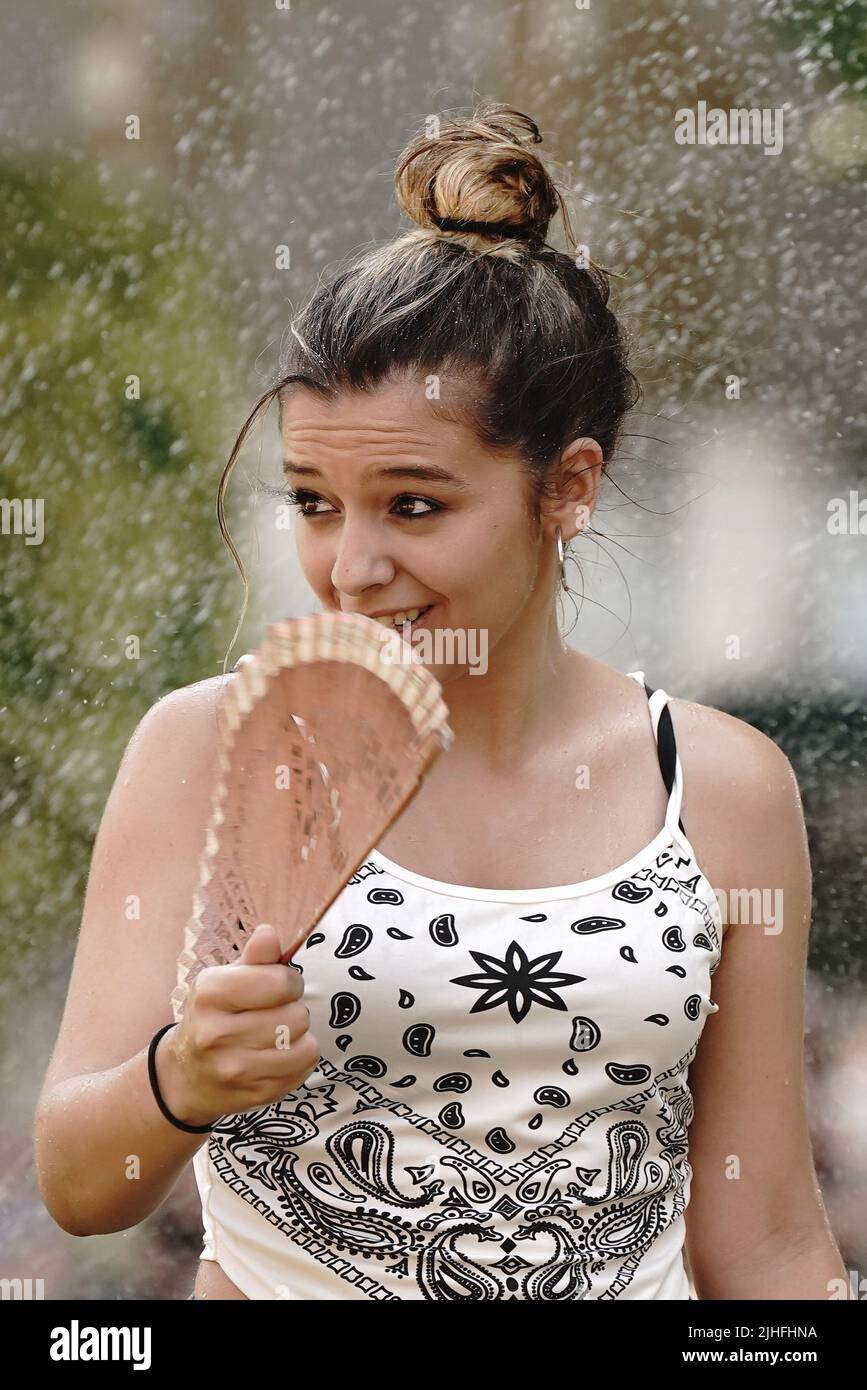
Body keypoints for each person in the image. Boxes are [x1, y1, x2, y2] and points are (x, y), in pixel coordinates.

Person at [34, 102, 846, 1301]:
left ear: (569, 488)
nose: (352, 566)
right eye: (314, 503)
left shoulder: (719, 786)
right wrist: (180, 1079)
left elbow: (765, 1239)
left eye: (414, 505)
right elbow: (78, 1182)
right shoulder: (213, 745)